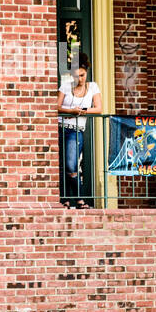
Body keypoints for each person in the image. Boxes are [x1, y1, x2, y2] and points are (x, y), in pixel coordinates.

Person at [58, 54, 102, 208]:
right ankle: (66, 200)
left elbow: (98, 109)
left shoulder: (93, 86)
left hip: (75, 130)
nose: (80, 79)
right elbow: (56, 106)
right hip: (60, 128)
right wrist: (70, 111)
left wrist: (82, 111)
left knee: (71, 165)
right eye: (77, 76)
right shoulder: (65, 86)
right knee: (61, 166)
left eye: (82, 75)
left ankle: (79, 198)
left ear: (86, 73)